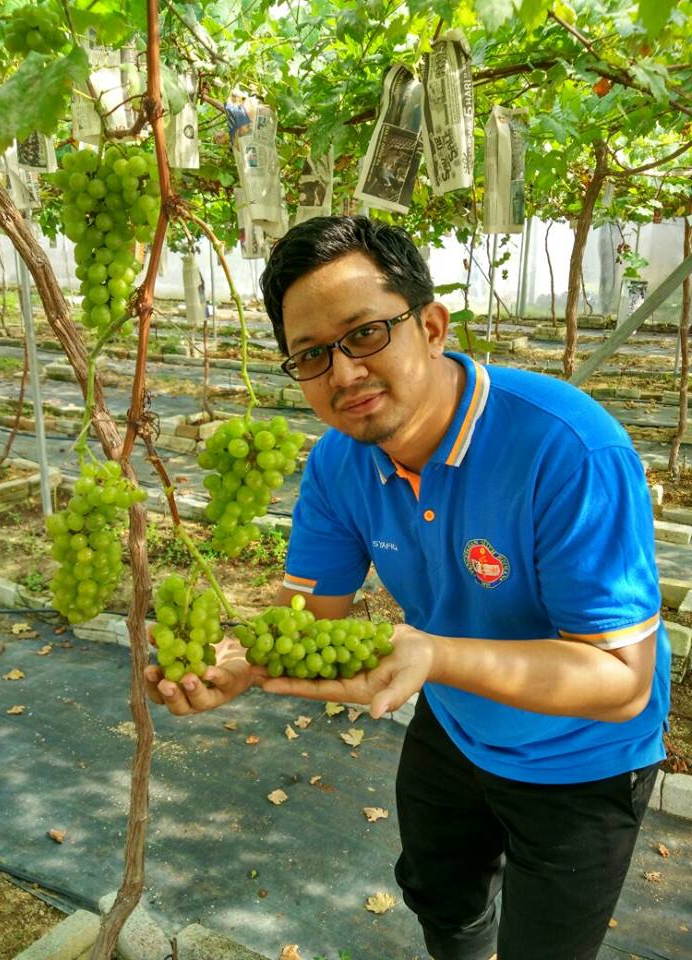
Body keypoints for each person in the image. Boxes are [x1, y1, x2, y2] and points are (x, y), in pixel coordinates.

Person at [145, 216, 670, 960]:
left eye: (364, 334)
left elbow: (620, 678)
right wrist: (244, 661)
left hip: (582, 757)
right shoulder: (338, 463)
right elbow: (310, 614)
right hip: (454, 723)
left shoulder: (568, 449)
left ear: (430, 325)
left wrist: (430, 657)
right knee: (443, 903)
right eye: (312, 355)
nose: (344, 374)